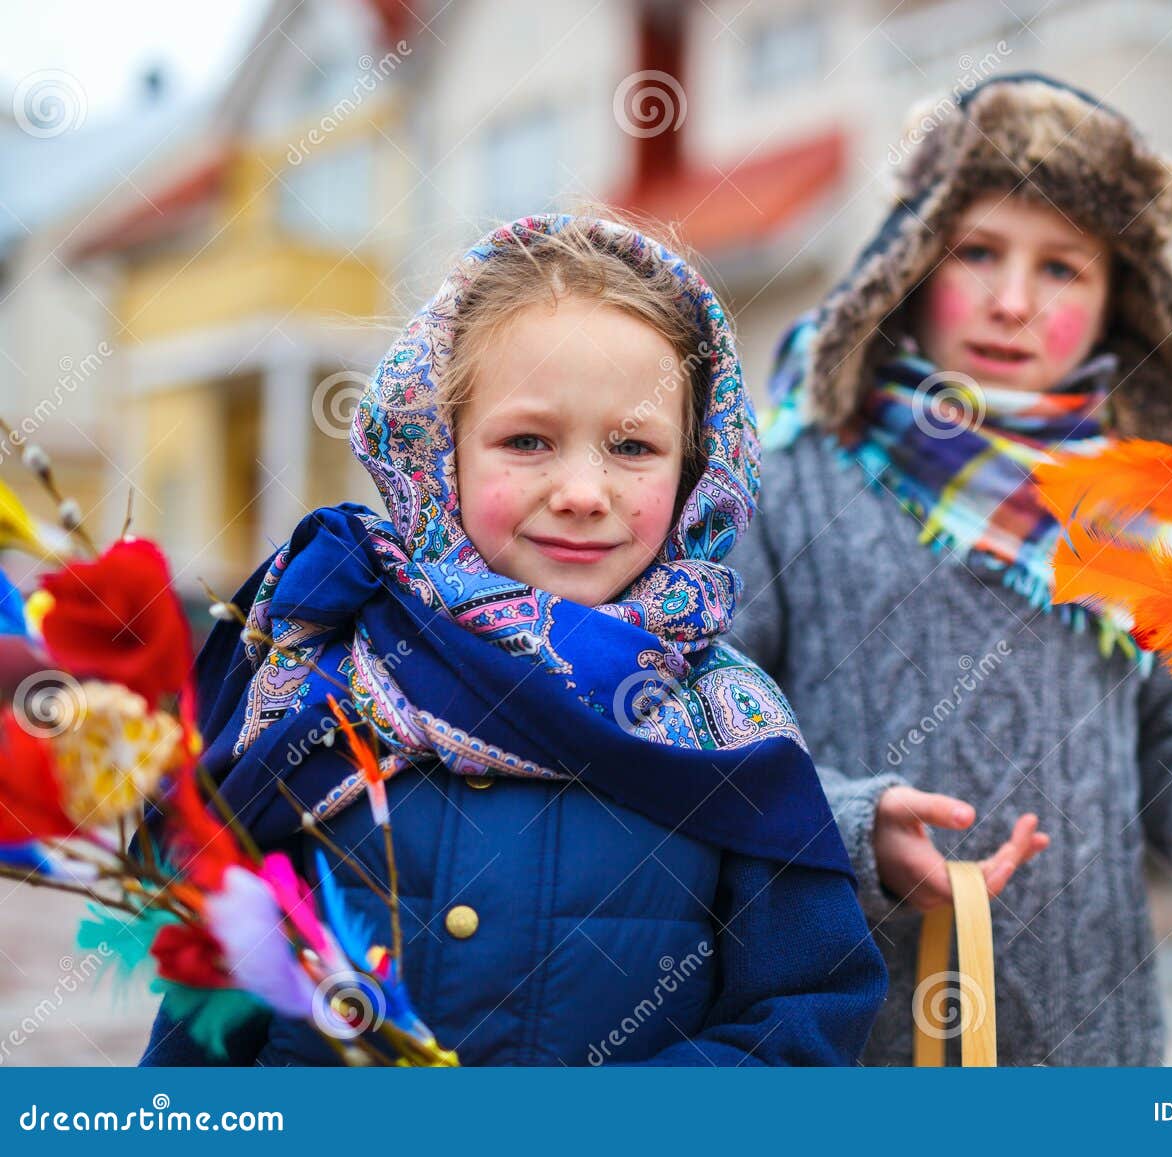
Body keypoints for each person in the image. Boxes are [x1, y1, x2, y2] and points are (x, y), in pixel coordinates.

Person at [138, 213, 887, 1066]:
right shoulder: (327, 674)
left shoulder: (729, 725)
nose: (581, 489)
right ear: (439, 450)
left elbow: (804, 1019)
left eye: (633, 446)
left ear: (696, 468)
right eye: (528, 440)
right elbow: (209, 1007)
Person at [726, 75, 1172, 1066]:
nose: (1013, 301)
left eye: (1061, 267)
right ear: (910, 265)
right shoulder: (792, 474)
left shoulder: (1149, 506)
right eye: (977, 252)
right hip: (841, 1031)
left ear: (1117, 305)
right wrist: (851, 823)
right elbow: (713, 720)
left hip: (1087, 1041)